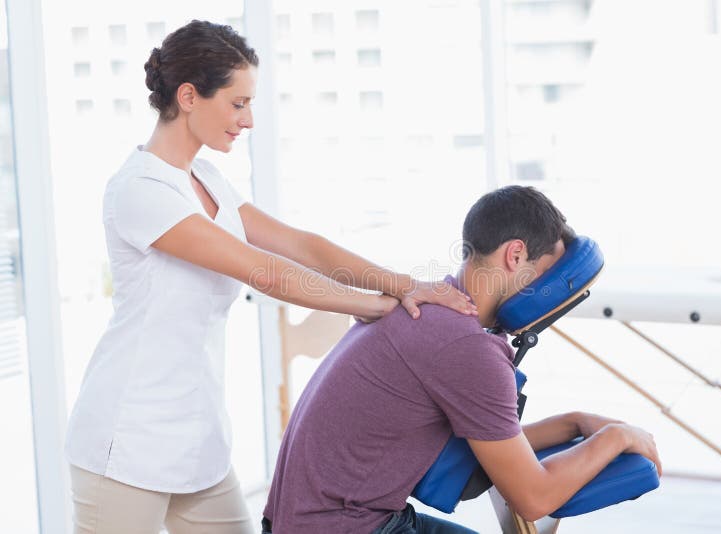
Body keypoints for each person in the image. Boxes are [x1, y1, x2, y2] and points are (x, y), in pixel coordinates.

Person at [64, 20, 476, 534]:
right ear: (188, 96)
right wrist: (374, 307)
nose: (249, 119)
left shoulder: (206, 180)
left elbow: (302, 246)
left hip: (196, 442)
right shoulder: (141, 190)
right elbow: (264, 270)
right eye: (238, 104)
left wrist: (400, 284)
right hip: (124, 444)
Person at [263, 185, 662, 533]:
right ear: (516, 254)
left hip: (311, 520)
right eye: (546, 273)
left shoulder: (427, 311)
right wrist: (619, 436)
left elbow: (481, 445)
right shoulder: (465, 346)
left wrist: (574, 422)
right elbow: (534, 497)